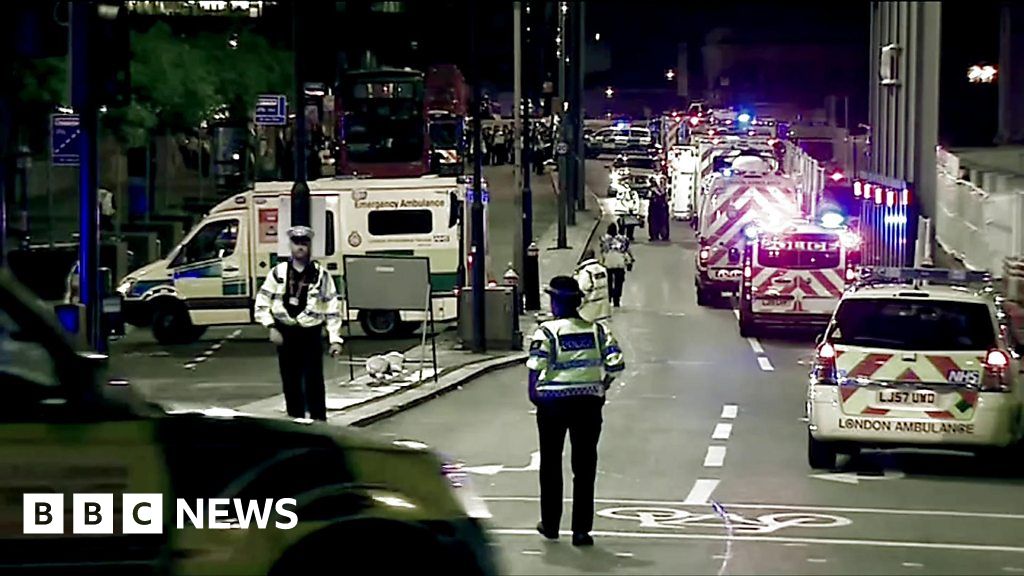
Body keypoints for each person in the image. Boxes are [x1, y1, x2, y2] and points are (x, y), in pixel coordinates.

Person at [527, 276, 624, 547]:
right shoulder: (597, 331)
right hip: (588, 404)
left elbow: (536, 365)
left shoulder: (547, 332)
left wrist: (535, 394)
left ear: (556, 303)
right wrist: (601, 385)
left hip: (553, 404)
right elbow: (616, 364)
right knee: (584, 466)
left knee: (550, 463)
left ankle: (550, 524)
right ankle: (581, 530)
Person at [254, 225, 344, 421]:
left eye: (304, 243)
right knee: (290, 381)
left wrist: (335, 339)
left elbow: (332, 308)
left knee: (314, 381)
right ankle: (296, 421)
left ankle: (318, 424)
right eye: (296, 243)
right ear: (290, 245)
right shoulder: (278, 273)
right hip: (285, 332)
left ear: (310, 245)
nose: (300, 247)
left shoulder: (321, 275)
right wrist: (271, 327)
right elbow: (262, 302)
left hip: (310, 333)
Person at [600, 223, 634, 307]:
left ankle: (609, 296)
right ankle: (617, 298)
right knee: (619, 281)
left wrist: (602, 262)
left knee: (609, 281)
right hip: (619, 263)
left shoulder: (604, 240)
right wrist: (630, 261)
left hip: (608, 263)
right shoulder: (623, 239)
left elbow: (602, 252)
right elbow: (627, 251)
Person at [573, 249, 611, 323]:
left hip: (590, 307)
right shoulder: (602, 269)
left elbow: (583, 287)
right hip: (604, 306)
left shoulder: (586, 271)